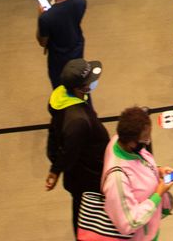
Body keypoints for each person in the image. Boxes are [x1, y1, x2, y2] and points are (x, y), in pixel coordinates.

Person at [45, 58, 110, 238]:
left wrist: (55, 168)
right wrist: (55, 170)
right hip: (89, 176)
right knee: (86, 212)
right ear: (80, 88)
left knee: (80, 207)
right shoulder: (77, 121)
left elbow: (53, 130)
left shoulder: (61, 97)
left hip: (79, 174)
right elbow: (69, 151)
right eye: (89, 81)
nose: (93, 83)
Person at [101, 106, 173, 241]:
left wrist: (157, 170)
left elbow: (138, 164)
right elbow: (129, 223)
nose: (147, 142)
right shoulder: (117, 179)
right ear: (132, 142)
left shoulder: (119, 141)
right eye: (145, 140)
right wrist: (158, 194)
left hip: (149, 227)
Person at [38, 0, 87, 89]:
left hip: (58, 57)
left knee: (60, 87)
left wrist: (40, 15)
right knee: (79, 83)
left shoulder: (47, 17)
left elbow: (42, 42)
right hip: (77, 48)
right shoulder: (80, 0)